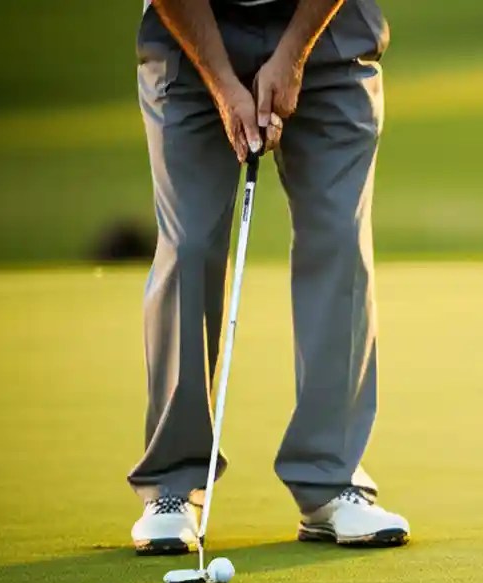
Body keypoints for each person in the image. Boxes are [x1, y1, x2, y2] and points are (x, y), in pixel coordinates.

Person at [127, 0, 408, 554]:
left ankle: (330, 479)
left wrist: (293, 52)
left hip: (327, 29)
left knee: (338, 240)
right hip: (191, 34)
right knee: (189, 247)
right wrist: (223, 81)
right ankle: (173, 485)